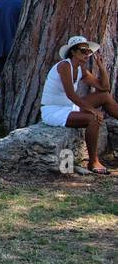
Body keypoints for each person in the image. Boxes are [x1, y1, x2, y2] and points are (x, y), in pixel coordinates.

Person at [39, 35, 118, 174]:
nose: (87, 54)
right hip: (54, 111)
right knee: (93, 119)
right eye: (83, 50)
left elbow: (104, 88)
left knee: (104, 97)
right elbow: (71, 94)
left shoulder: (80, 69)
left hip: (69, 107)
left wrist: (101, 67)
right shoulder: (64, 66)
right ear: (73, 52)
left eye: (88, 51)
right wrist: (93, 111)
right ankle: (93, 162)